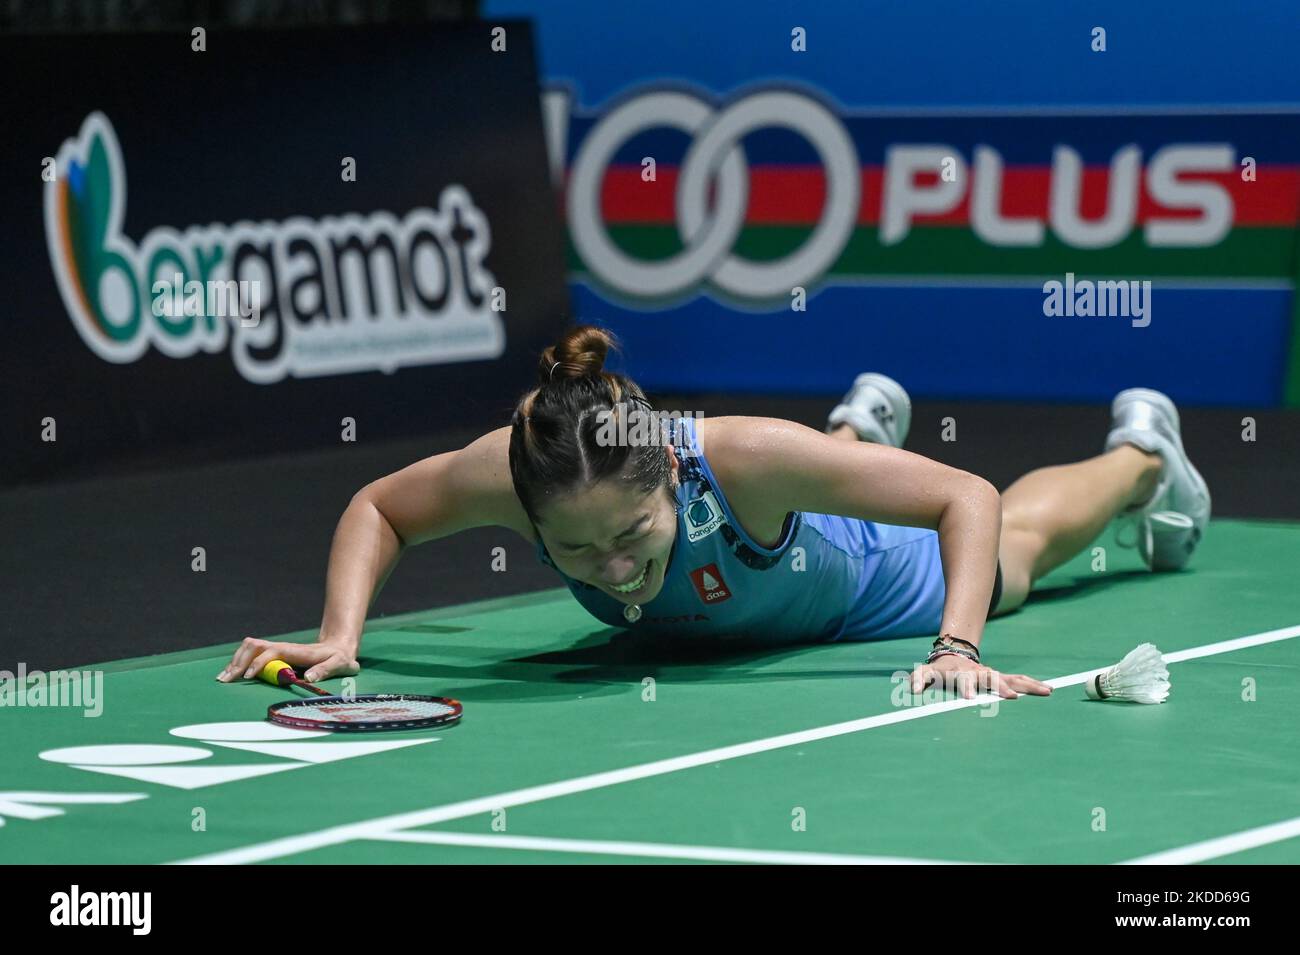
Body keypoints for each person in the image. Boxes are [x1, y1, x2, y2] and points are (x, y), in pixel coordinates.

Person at [217, 325, 1209, 700]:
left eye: (630, 536)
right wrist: (340, 636)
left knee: (1016, 556)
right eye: (578, 550)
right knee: (816, 476)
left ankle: (1140, 455)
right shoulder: (520, 469)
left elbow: (968, 496)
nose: (609, 570)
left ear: (669, 484)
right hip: (775, 537)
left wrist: (957, 643)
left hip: (850, 576)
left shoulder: (735, 456)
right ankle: (855, 434)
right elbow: (379, 507)